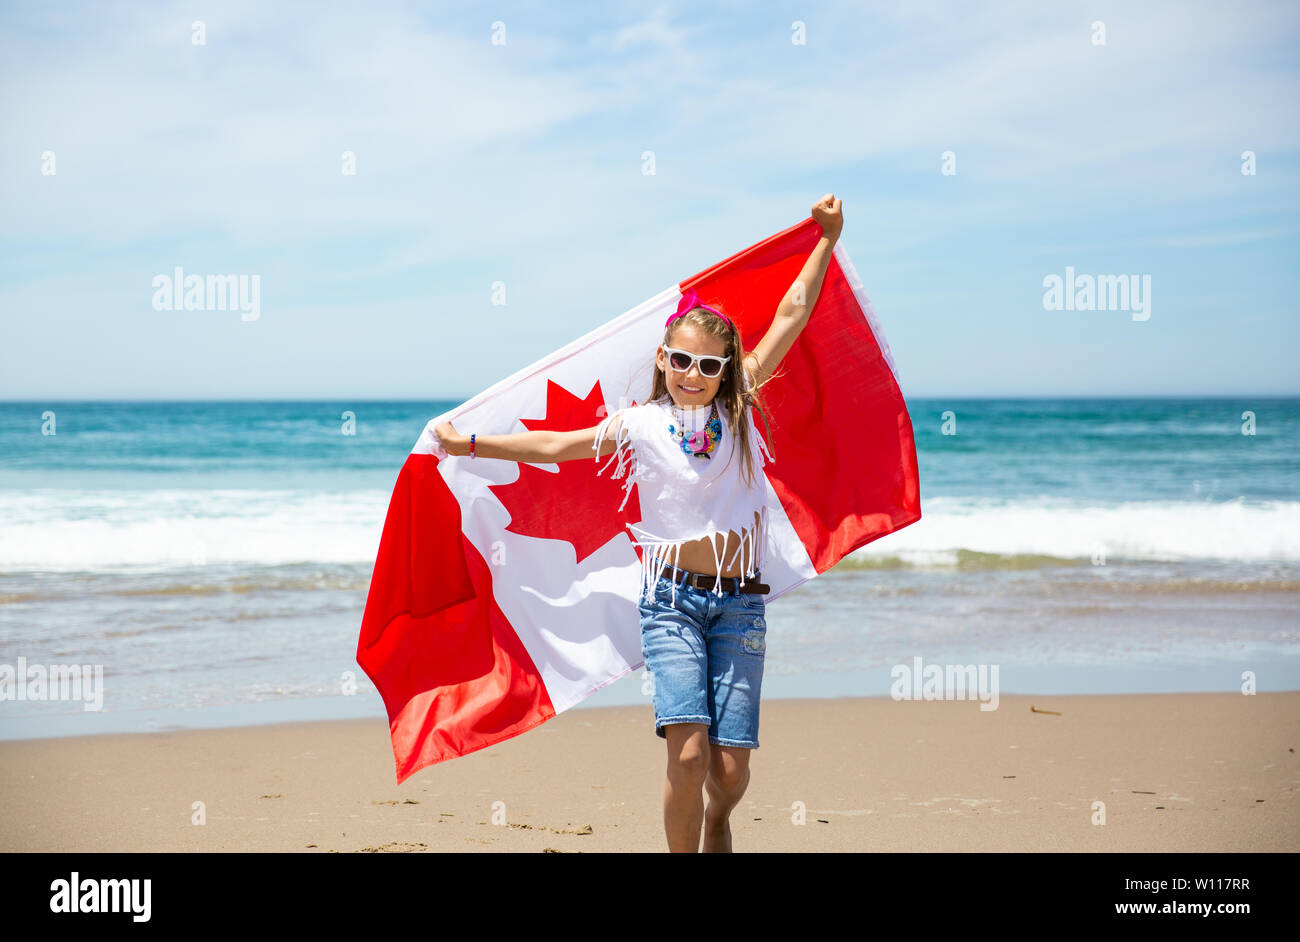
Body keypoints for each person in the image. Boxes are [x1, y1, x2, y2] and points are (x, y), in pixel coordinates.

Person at [435, 194, 844, 851]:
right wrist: (473, 445)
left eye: (709, 366)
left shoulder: (738, 412)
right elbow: (557, 446)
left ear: (724, 373)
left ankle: (719, 819)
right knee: (686, 757)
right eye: (681, 361)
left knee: (731, 770)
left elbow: (792, 313)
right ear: (662, 359)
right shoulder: (640, 425)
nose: (693, 374)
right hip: (670, 601)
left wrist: (825, 239)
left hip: (740, 604)